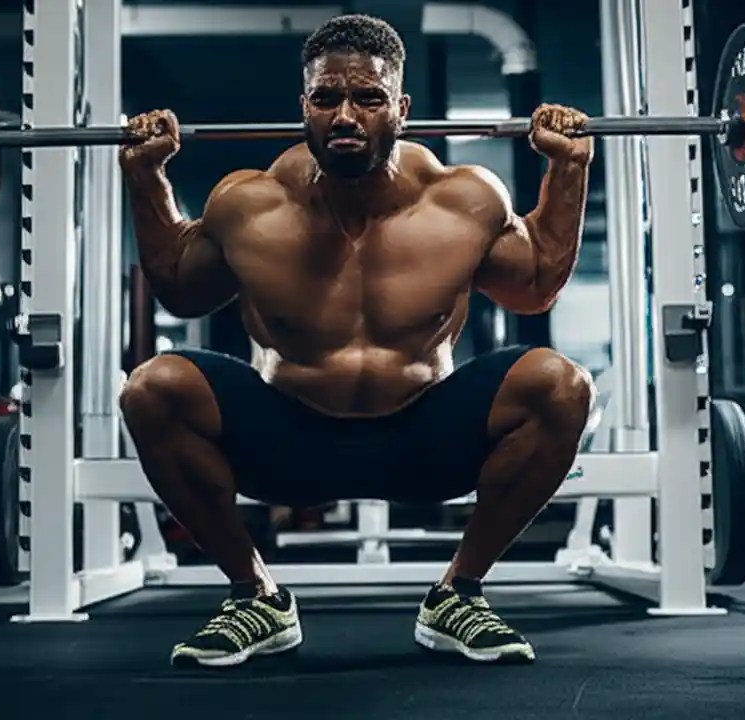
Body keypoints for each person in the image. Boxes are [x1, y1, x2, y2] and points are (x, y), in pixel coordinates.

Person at [118, 13, 594, 668]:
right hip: (290, 443)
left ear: (399, 108)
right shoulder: (248, 204)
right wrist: (148, 177)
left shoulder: (463, 201)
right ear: (303, 107)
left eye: (367, 98)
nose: (346, 116)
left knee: (561, 386)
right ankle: (254, 595)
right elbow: (180, 290)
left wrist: (568, 169)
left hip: (423, 441)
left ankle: (459, 592)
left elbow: (535, 287)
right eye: (326, 98)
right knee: (152, 389)